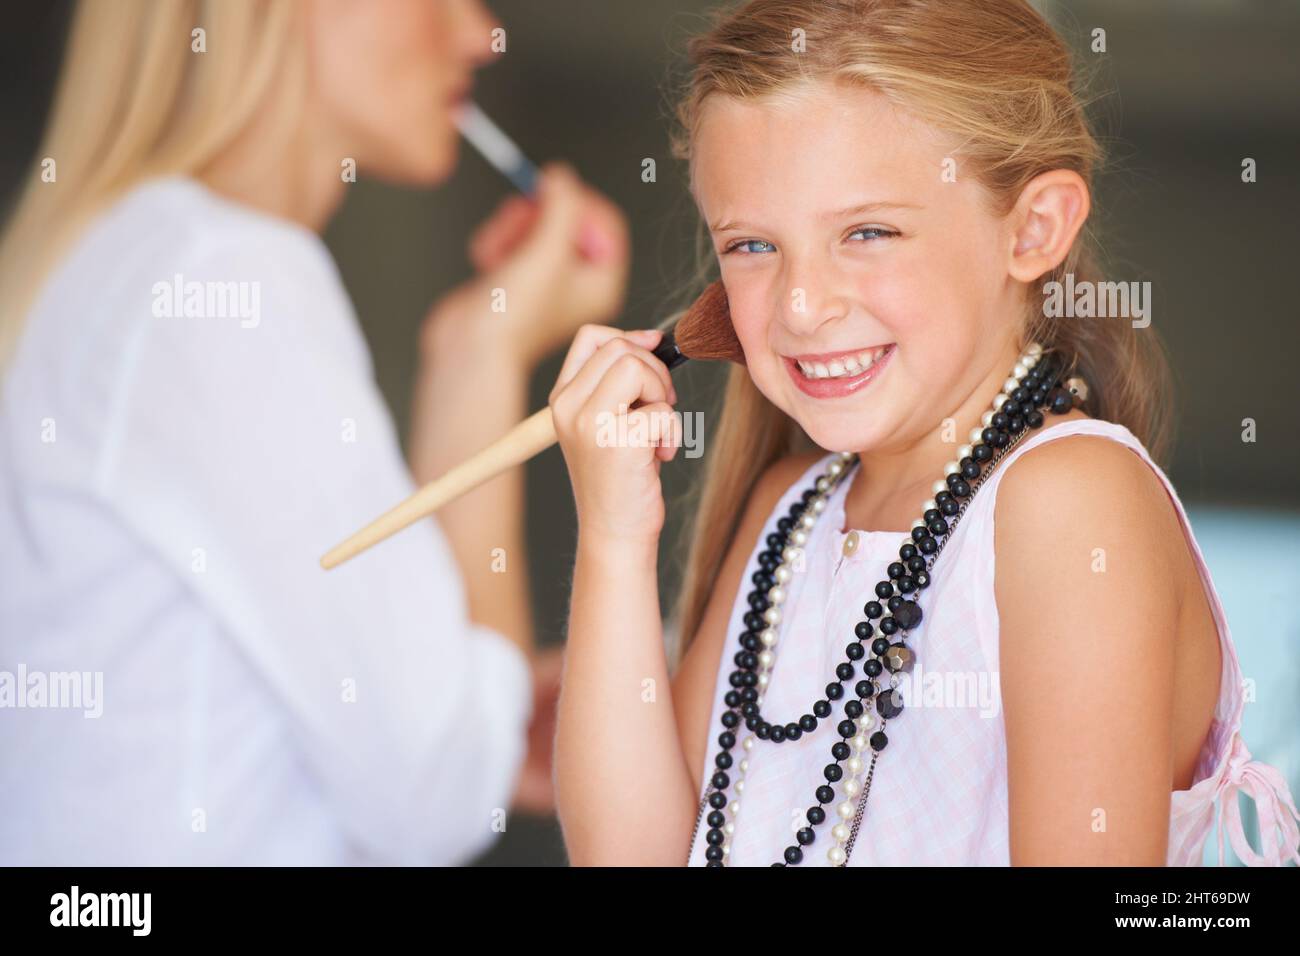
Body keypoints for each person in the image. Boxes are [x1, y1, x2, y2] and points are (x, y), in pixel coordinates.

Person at [547, 0, 1300, 866]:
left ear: (1034, 228)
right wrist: (611, 535)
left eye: (868, 232)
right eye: (753, 245)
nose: (800, 304)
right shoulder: (784, 516)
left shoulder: (1069, 504)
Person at [0, 0, 629, 864]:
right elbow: (439, 792)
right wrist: (481, 359)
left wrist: (477, 694)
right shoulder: (218, 283)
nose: (481, 35)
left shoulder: (123, 262)